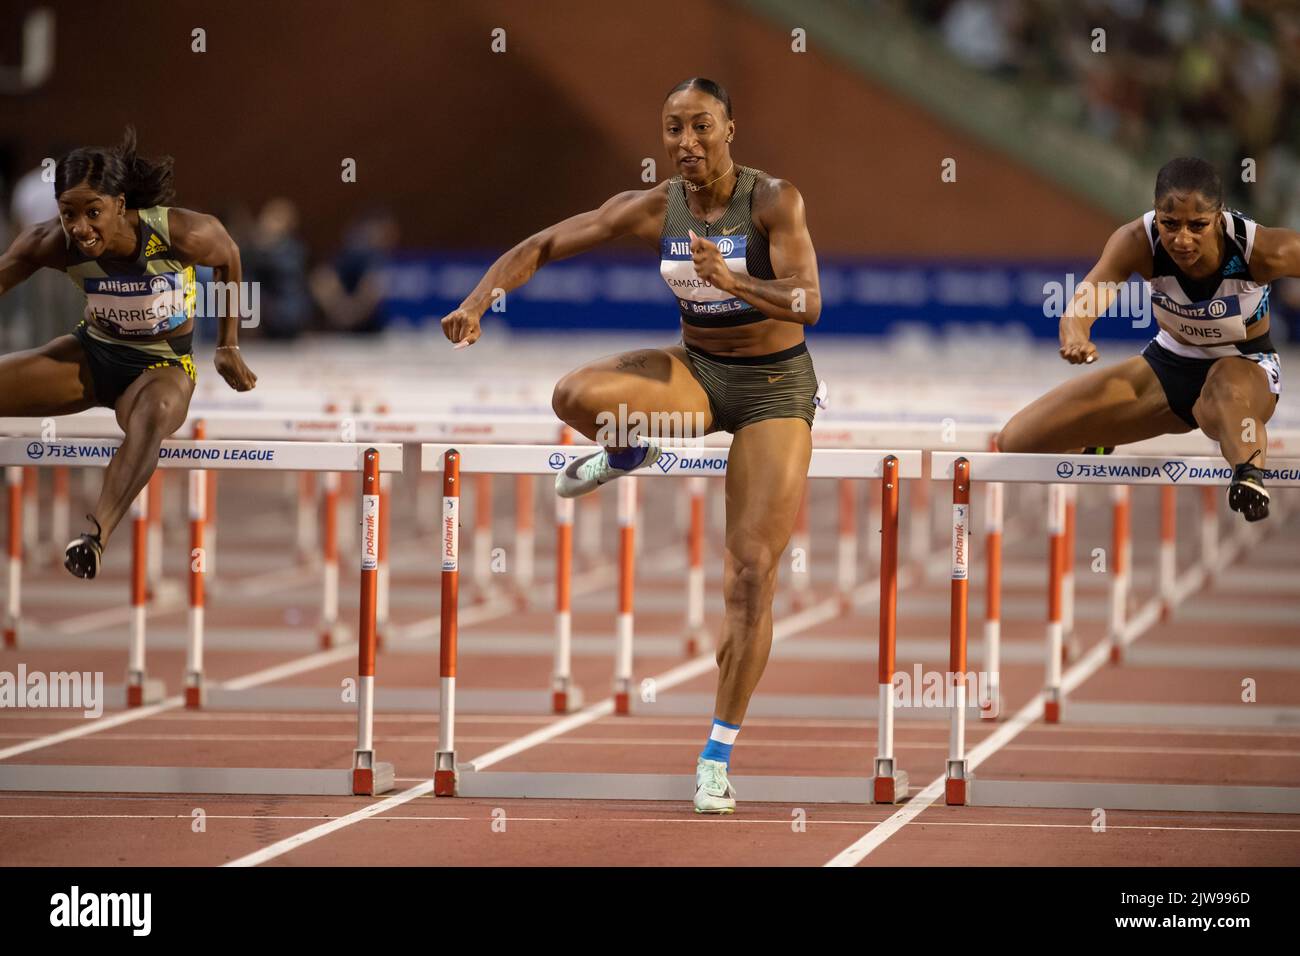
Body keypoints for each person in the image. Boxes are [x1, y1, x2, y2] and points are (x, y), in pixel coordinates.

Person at [440, 78, 824, 813]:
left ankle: (716, 753)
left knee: (749, 573)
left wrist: (735, 281)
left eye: (701, 127)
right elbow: (545, 243)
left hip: (775, 387)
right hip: (700, 374)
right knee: (574, 396)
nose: (687, 143)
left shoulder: (775, 200)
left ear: (731, 128)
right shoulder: (657, 208)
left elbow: (810, 300)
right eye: (673, 129)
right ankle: (631, 449)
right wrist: (477, 300)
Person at [0, 127, 257, 577]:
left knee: (154, 411)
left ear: (121, 205)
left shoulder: (180, 232)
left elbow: (229, 256)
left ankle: (94, 536)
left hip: (162, 365)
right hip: (93, 354)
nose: (81, 229)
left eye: (93, 212)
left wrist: (228, 343)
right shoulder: (50, 243)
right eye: (68, 214)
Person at [998, 157, 1300, 521]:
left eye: (1197, 226)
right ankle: (1101, 438)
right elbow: (1084, 303)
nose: (1181, 239)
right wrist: (1076, 336)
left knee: (1222, 389)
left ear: (1219, 217)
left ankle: (1249, 477)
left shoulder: (1262, 249)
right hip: (1168, 365)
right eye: (1169, 223)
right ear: (1156, 214)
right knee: (1018, 441)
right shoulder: (1137, 241)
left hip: (1245, 369)